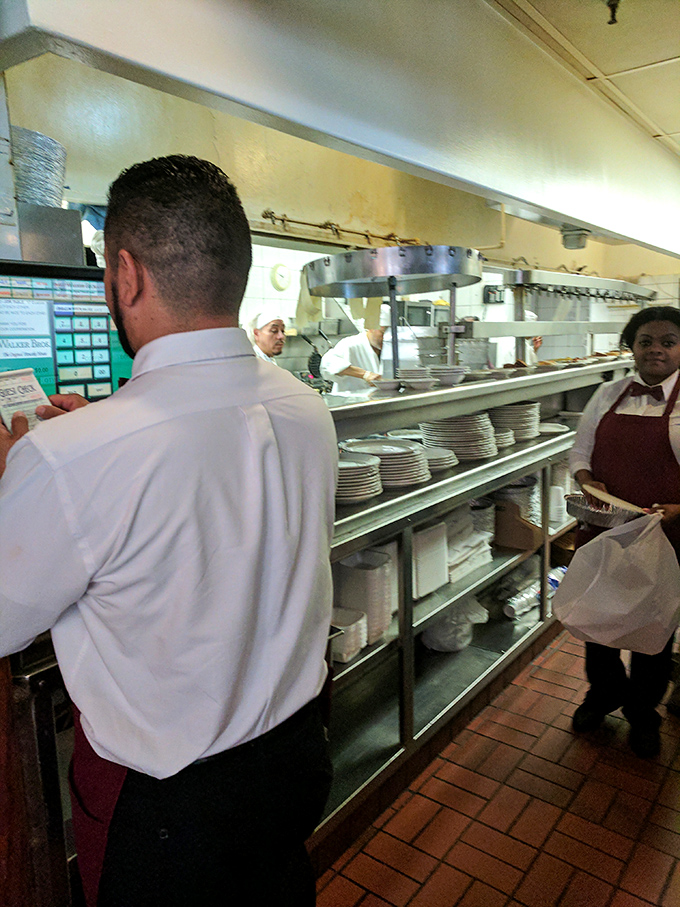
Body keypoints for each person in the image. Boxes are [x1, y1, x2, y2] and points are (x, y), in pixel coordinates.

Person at [0, 155, 337, 906]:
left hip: (170, 811)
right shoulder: (304, 405)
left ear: (124, 274)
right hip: (296, 759)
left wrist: (17, 478)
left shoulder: (70, 457)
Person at [569, 305, 680, 758]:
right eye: (645, 341)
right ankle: (603, 692)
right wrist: (585, 479)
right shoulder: (607, 393)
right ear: (631, 348)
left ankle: (641, 711)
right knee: (598, 616)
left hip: (667, 536)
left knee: (654, 625)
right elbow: (580, 451)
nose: (655, 349)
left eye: (668, 341)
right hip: (605, 530)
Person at [319, 303, 391, 393]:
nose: (386, 338)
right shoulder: (351, 344)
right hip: (348, 403)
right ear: (370, 327)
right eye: (383, 332)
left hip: (375, 403)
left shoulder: (389, 349)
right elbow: (327, 364)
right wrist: (365, 375)